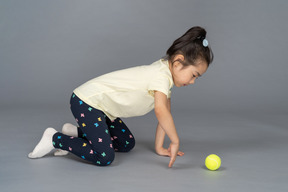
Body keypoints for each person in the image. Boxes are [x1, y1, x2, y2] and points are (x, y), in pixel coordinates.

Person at [28, 26, 214, 168]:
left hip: (103, 110)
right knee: (105, 157)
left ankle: (75, 132)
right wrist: (175, 141)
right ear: (179, 61)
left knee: (126, 143)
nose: (192, 82)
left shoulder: (166, 80)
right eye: (194, 75)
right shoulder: (161, 76)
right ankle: (55, 138)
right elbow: (160, 111)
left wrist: (159, 148)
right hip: (86, 101)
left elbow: (165, 117)